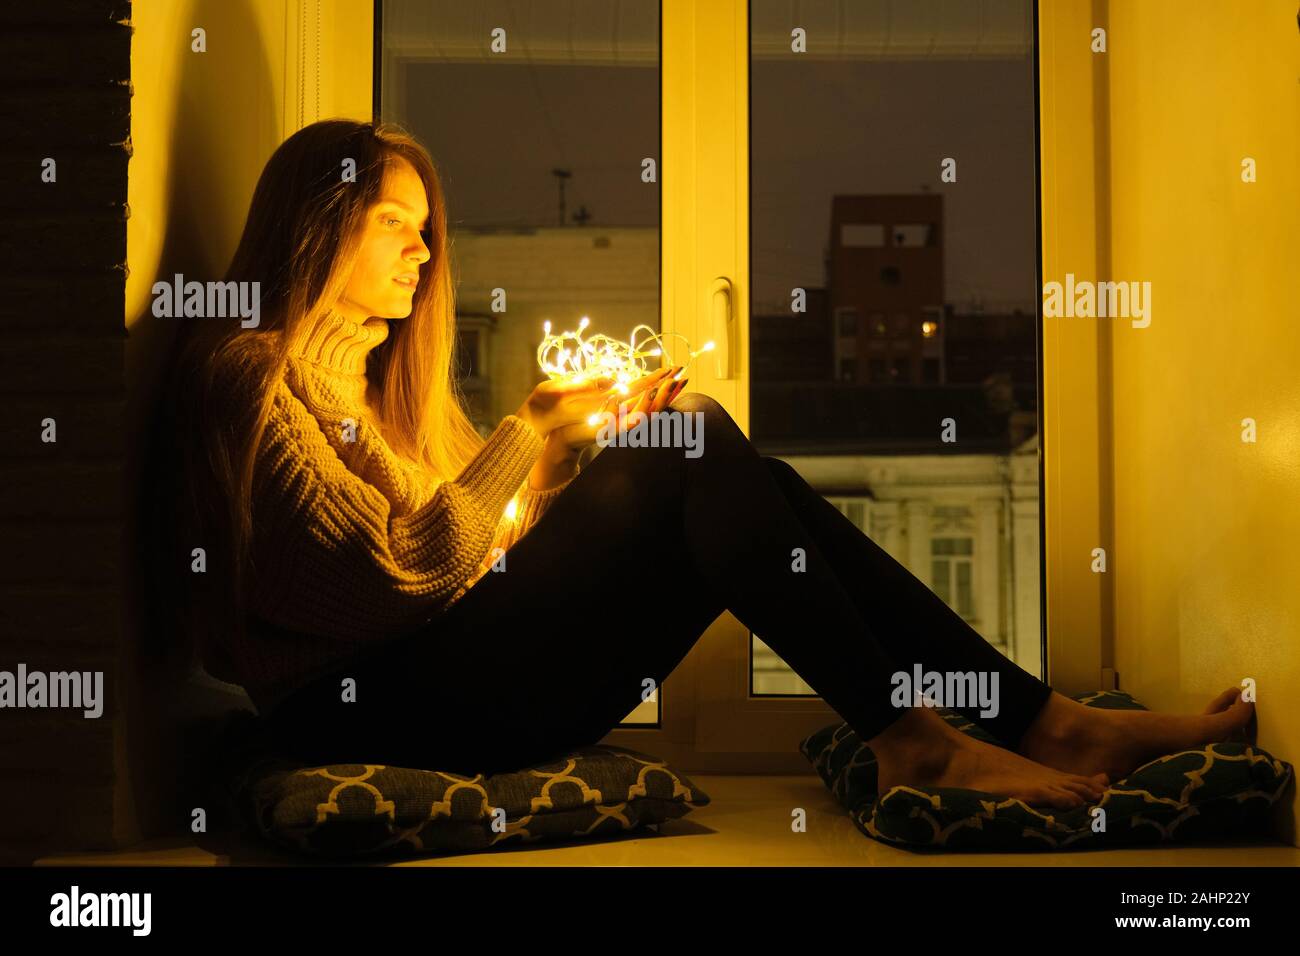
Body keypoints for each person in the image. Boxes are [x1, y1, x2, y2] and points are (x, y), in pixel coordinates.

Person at [160, 120, 1254, 812]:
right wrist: (530, 432)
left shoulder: (378, 391)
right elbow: (380, 582)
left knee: (726, 464)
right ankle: (929, 737)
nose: (423, 249)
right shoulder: (248, 372)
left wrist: (562, 466)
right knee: (692, 447)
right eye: (393, 220)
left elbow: (461, 557)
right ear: (319, 221)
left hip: (445, 687)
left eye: (426, 228)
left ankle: (1029, 720)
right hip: (365, 711)